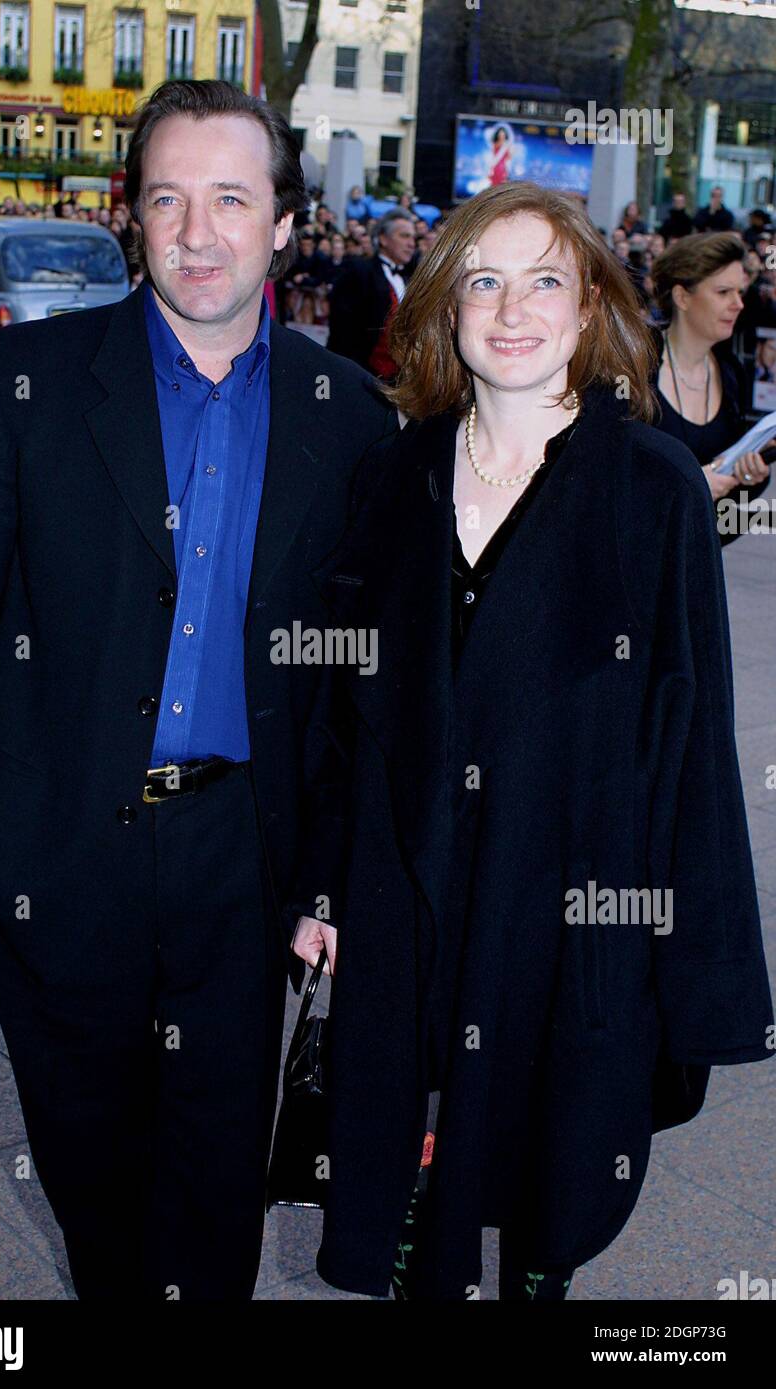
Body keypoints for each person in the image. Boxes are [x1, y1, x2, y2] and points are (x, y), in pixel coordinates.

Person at [0, 78, 396, 1303]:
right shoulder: (26, 385)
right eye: (168, 196)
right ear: (133, 215)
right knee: (94, 1172)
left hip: (246, 856)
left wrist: (328, 874)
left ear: (284, 221)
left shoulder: (347, 417)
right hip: (61, 843)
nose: (197, 229)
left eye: (231, 197)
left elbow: (355, 682)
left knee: (220, 1174)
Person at [290, 180, 774, 1301]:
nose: (512, 309)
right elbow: (344, 706)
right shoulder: (395, 473)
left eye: (544, 279)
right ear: (445, 306)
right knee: (415, 1211)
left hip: (564, 911)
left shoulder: (651, 490)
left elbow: (693, 740)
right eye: (483, 280)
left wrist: (692, 973)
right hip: (406, 899)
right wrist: (320, 888)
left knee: (543, 1209)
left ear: (593, 303)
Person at [651, 232, 773, 545]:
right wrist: (690, 485)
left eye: (740, 292)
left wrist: (748, 482)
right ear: (682, 297)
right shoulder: (635, 369)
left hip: (695, 579)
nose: (738, 304)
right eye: (723, 292)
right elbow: (605, 484)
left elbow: (719, 531)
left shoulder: (731, 373)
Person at [326, 207, 417, 379]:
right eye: (404, 236)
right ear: (383, 239)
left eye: (413, 237)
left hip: (398, 381)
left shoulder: (409, 279)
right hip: (360, 376)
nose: (411, 243)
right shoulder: (359, 270)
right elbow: (342, 327)